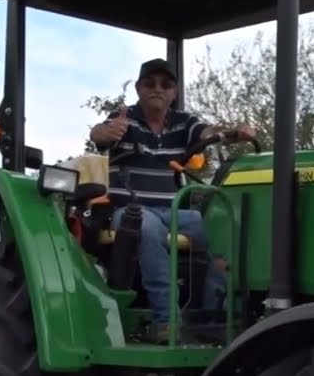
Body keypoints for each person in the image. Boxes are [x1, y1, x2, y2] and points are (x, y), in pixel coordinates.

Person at [89, 57, 253, 342]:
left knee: (224, 228)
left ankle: (214, 316)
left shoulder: (183, 122)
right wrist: (104, 131)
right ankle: (168, 322)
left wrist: (232, 132)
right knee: (148, 229)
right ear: (139, 88)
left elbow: (206, 132)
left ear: (174, 92)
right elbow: (99, 134)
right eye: (150, 83)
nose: (158, 89)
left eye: (166, 84)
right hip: (131, 210)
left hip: (174, 210)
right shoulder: (124, 119)